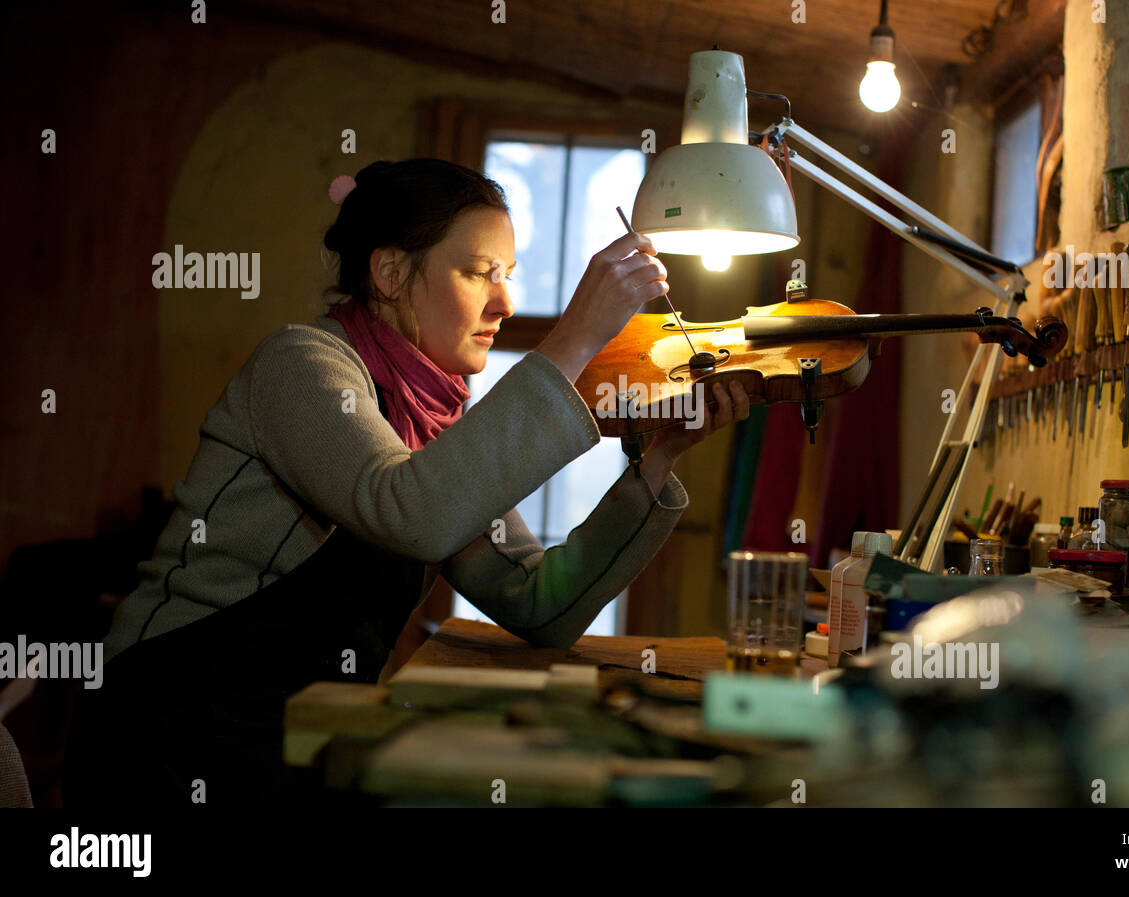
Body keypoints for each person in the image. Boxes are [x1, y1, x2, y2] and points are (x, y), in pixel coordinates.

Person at [64, 158, 749, 806]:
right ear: (390, 271)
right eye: (481, 272)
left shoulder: (440, 420)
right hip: (169, 724)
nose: (506, 301)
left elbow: (539, 600)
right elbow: (409, 511)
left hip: (304, 733)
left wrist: (659, 458)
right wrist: (572, 340)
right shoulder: (304, 365)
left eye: (508, 273)